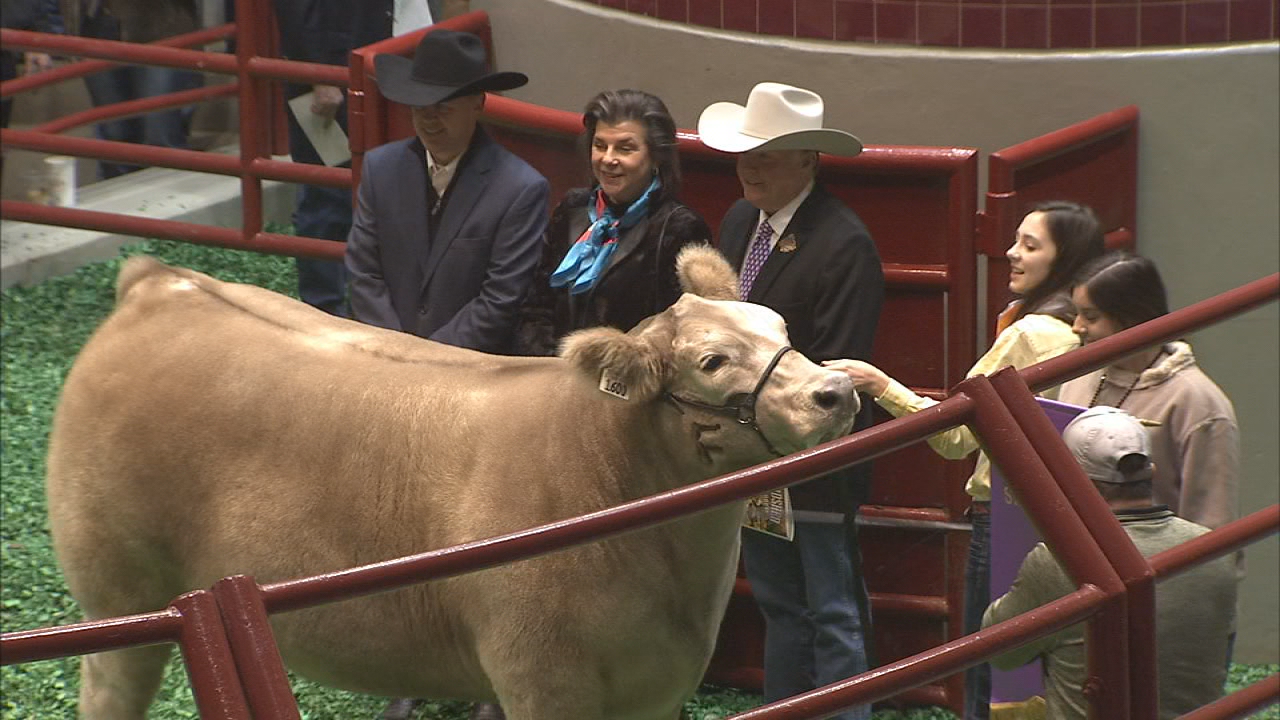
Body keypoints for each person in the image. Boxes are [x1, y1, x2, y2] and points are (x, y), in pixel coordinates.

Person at [826, 200, 1105, 719]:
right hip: (1062, 515)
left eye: (1029, 244)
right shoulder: (1074, 329)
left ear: (1064, 259)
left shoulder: (1031, 334)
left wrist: (880, 384)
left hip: (1005, 514)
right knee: (1033, 674)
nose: (1009, 253)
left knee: (989, 670)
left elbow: (955, 436)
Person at [697, 81, 883, 720]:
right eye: (747, 152)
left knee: (832, 608)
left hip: (818, 461)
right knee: (780, 602)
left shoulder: (843, 242)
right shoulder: (739, 220)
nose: (749, 166)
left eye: (767, 154)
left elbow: (838, 367)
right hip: (757, 455)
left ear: (809, 159)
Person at [982, 406, 1237, 720]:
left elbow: (1001, 651)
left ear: (1074, 482)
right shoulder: (1214, 549)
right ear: (1152, 471)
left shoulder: (1058, 559)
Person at [345, 29, 549, 356]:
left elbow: (500, 299)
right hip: (381, 358)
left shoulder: (521, 189)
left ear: (478, 104)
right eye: (419, 107)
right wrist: (394, 351)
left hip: (468, 372)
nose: (429, 120)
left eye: (444, 108)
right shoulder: (380, 168)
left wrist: (427, 360)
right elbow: (363, 271)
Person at [515, 88, 710, 354]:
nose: (607, 159)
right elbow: (536, 307)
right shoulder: (573, 207)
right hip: (551, 374)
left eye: (625, 148)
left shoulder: (680, 229)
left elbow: (673, 338)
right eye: (599, 145)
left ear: (656, 157)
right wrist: (552, 368)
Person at [1058, 251, 1239, 531]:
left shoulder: (1197, 402)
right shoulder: (1080, 375)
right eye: (1076, 313)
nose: (1076, 327)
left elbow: (1209, 521)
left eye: (1090, 316)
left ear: (1132, 318)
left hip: (1154, 563)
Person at [75, 0, 203, 179]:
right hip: (98, 22)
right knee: (115, 138)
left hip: (162, 27)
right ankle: (120, 204)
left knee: (159, 134)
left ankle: (168, 201)